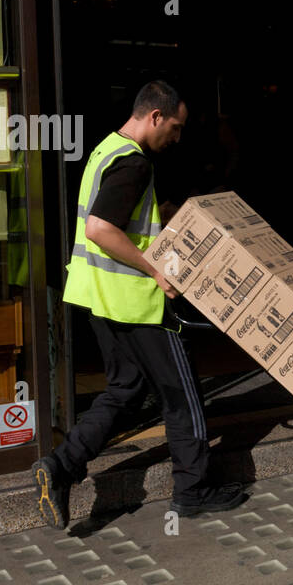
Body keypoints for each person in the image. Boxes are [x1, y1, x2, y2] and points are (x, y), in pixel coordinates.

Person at [32, 80, 246, 529]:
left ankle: (61, 467)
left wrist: (161, 215)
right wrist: (155, 270)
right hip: (137, 302)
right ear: (154, 117)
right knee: (183, 396)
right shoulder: (134, 164)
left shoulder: (105, 150)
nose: (178, 136)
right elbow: (100, 228)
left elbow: (117, 218)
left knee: (125, 392)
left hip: (100, 298)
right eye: (175, 127)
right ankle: (193, 491)